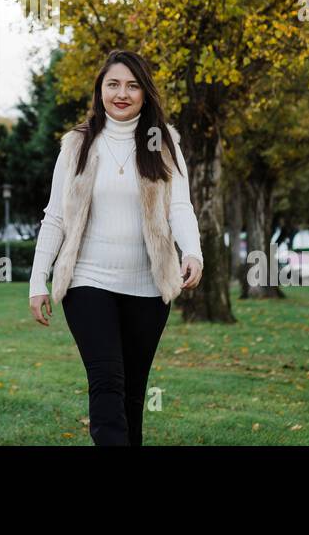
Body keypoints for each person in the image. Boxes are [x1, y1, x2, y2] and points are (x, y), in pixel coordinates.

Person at [29, 49, 204, 445]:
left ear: (145, 92)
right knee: (106, 383)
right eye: (113, 85)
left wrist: (191, 252)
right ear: (100, 90)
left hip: (148, 286)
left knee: (131, 395)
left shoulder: (164, 143)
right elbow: (54, 216)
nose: (121, 94)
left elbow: (180, 207)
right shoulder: (77, 145)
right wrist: (39, 280)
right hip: (88, 281)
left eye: (132, 85)